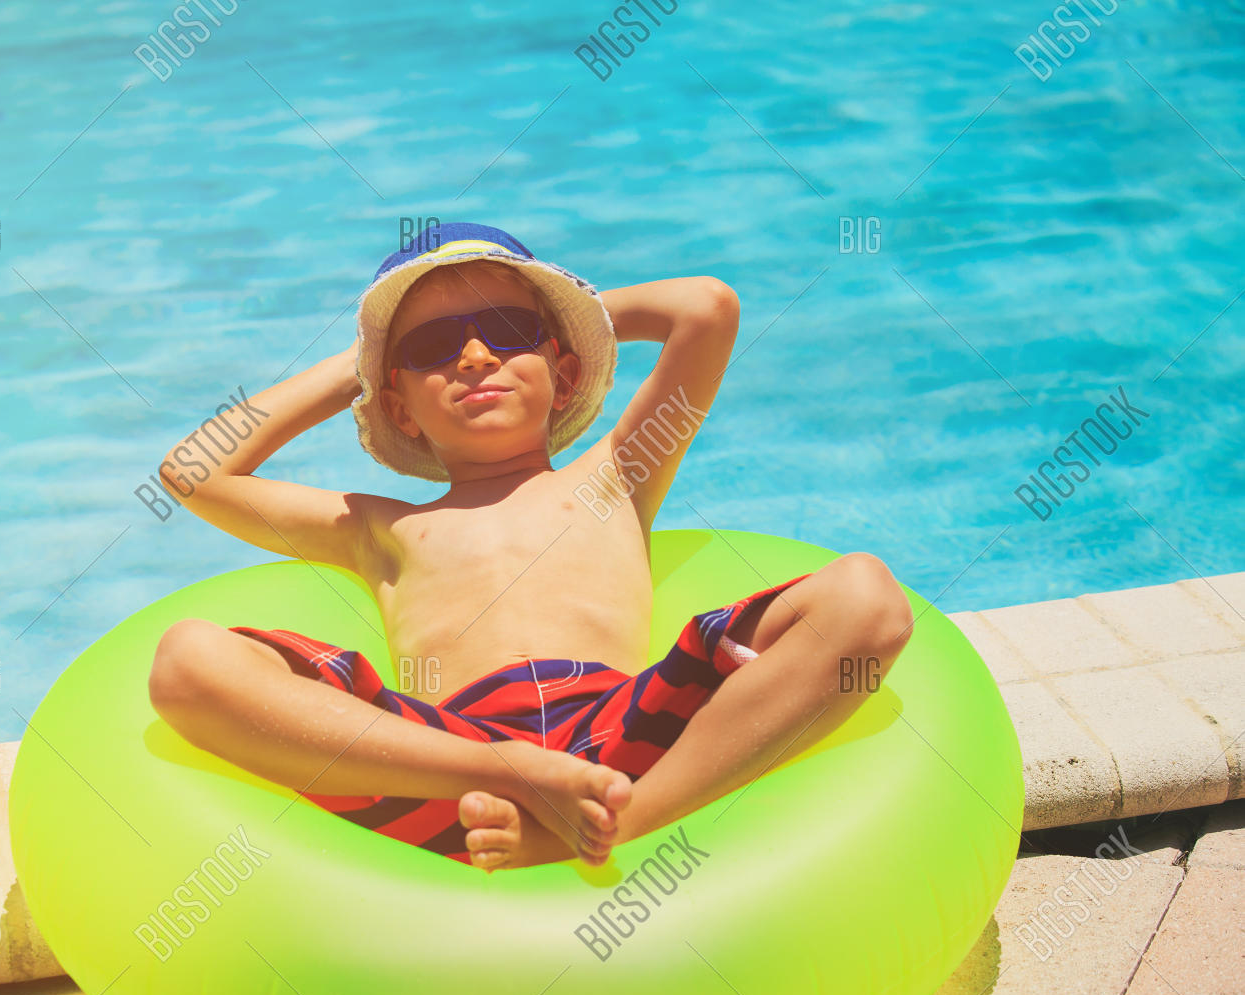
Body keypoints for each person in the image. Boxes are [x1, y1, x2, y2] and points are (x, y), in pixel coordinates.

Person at [148, 222, 913, 870]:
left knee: (866, 597)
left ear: (565, 368)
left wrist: (554, 318)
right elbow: (192, 471)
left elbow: (706, 307)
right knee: (187, 660)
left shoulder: (618, 472)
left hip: (626, 731)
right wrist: (363, 365)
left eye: (508, 334)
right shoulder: (379, 527)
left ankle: (614, 820)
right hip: (450, 768)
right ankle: (527, 777)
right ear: (399, 408)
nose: (476, 356)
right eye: (435, 348)